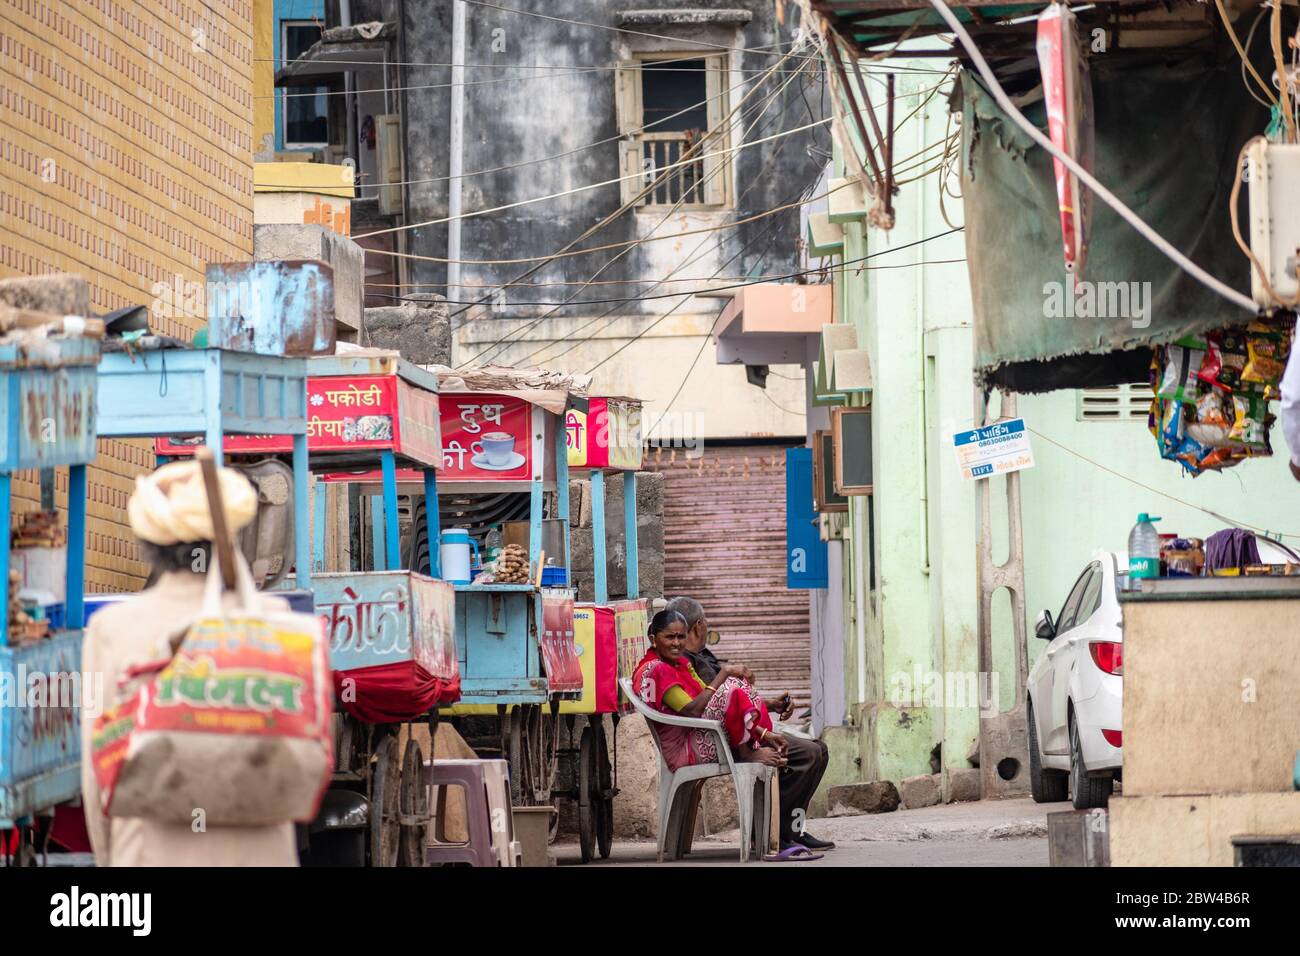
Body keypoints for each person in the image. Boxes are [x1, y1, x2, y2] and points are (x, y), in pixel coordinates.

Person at [80, 460, 298, 866]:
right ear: (233, 533)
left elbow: (97, 774)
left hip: (148, 853)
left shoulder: (111, 630)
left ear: (149, 543)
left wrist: (111, 858)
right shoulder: (277, 622)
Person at [665, 595, 834, 852]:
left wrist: (770, 705)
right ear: (698, 625)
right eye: (706, 622)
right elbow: (716, 706)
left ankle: (793, 829)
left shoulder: (702, 657)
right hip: (724, 738)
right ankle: (770, 832)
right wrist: (755, 739)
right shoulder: (688, 663)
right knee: (808, 754)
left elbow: (734, 702)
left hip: (736, 729)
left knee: (820, 750)